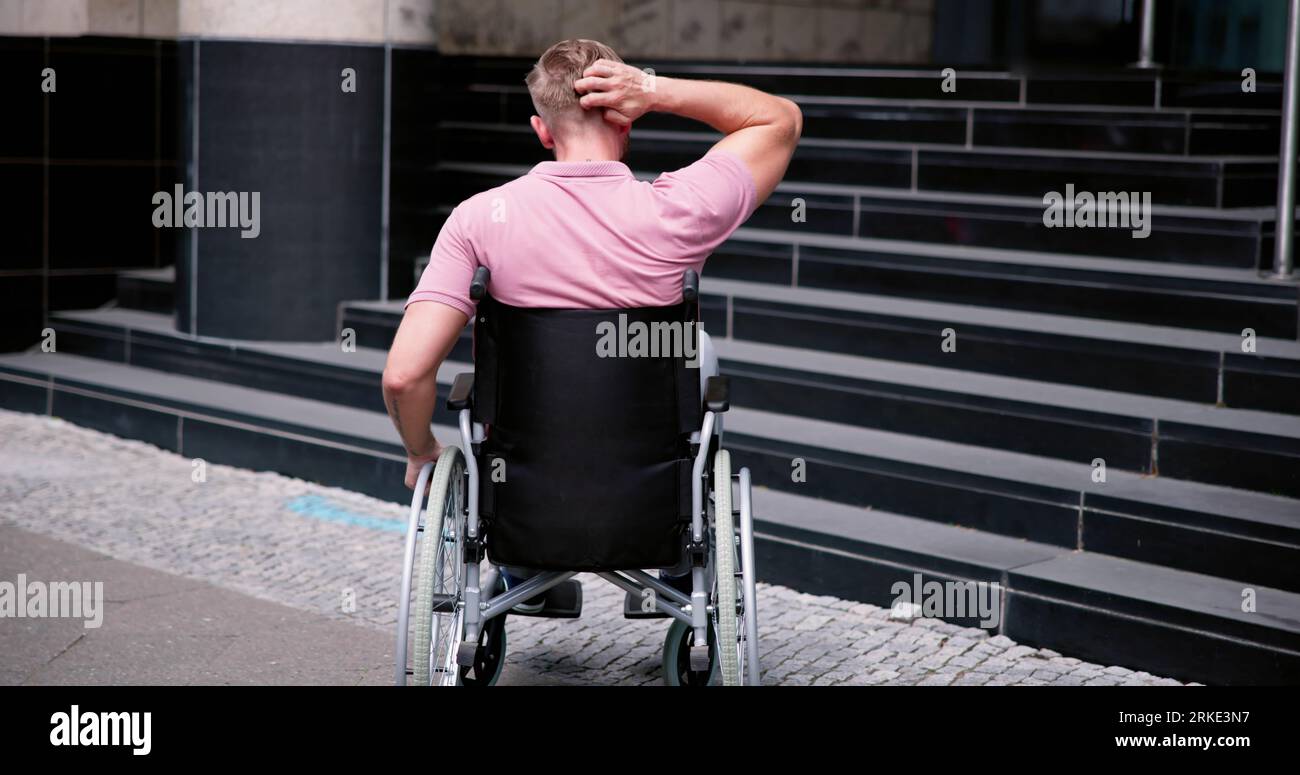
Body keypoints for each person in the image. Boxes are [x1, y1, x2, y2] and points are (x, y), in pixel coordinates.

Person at [381, 38, 801, 610]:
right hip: (645, 495)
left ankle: (523, 567)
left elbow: (404, 377)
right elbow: (781, 119)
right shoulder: (679, 208)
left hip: (527, 493)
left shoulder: (479, 218)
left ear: (543, 130)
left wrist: (420, 451)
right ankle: (678, 566)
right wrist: (654, 91)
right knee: (695, 352)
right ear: (624, 118)